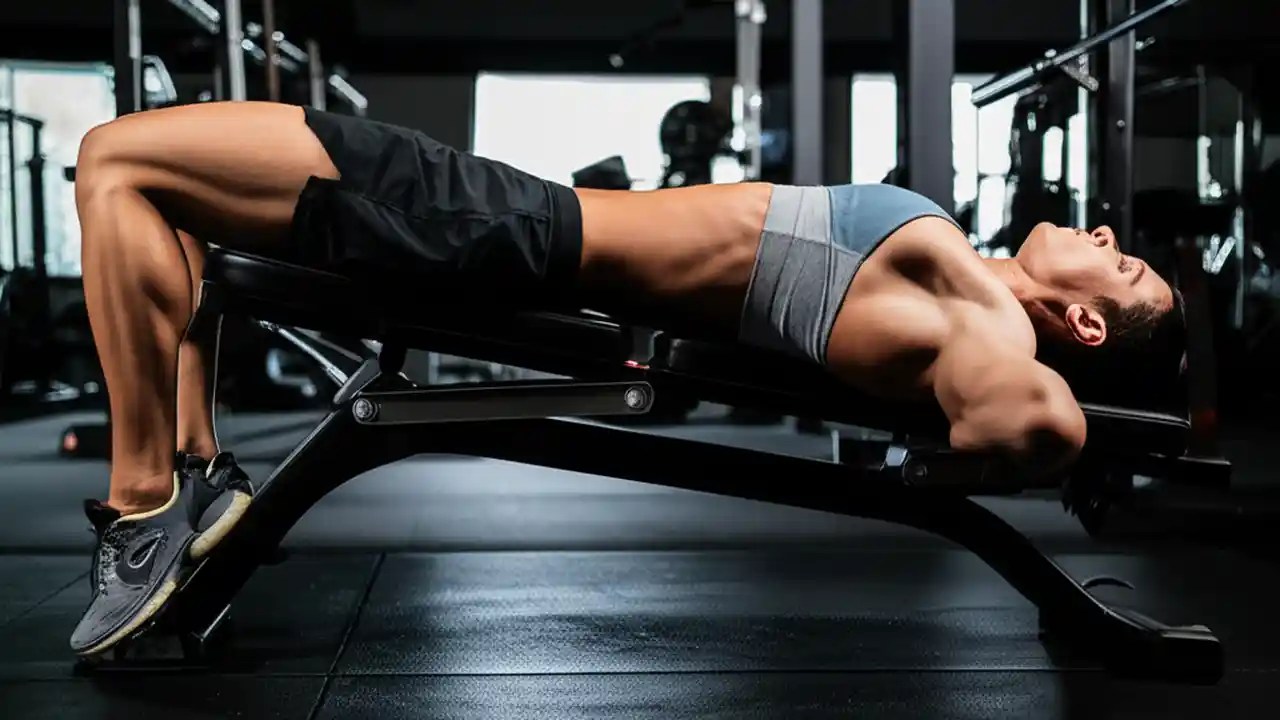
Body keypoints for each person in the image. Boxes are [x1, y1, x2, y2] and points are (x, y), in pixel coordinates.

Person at [69, 101, 1184, 657]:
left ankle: (145, 505)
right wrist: (940, 459)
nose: (1098, 231)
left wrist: (942, 463)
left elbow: (1033, 417)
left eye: (1118, 261)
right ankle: (193, 468)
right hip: (508, 219)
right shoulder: (963, 281)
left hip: (505, 231)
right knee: (159, 200)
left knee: (121, 159)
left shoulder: (979, 310)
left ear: (1081, 320)